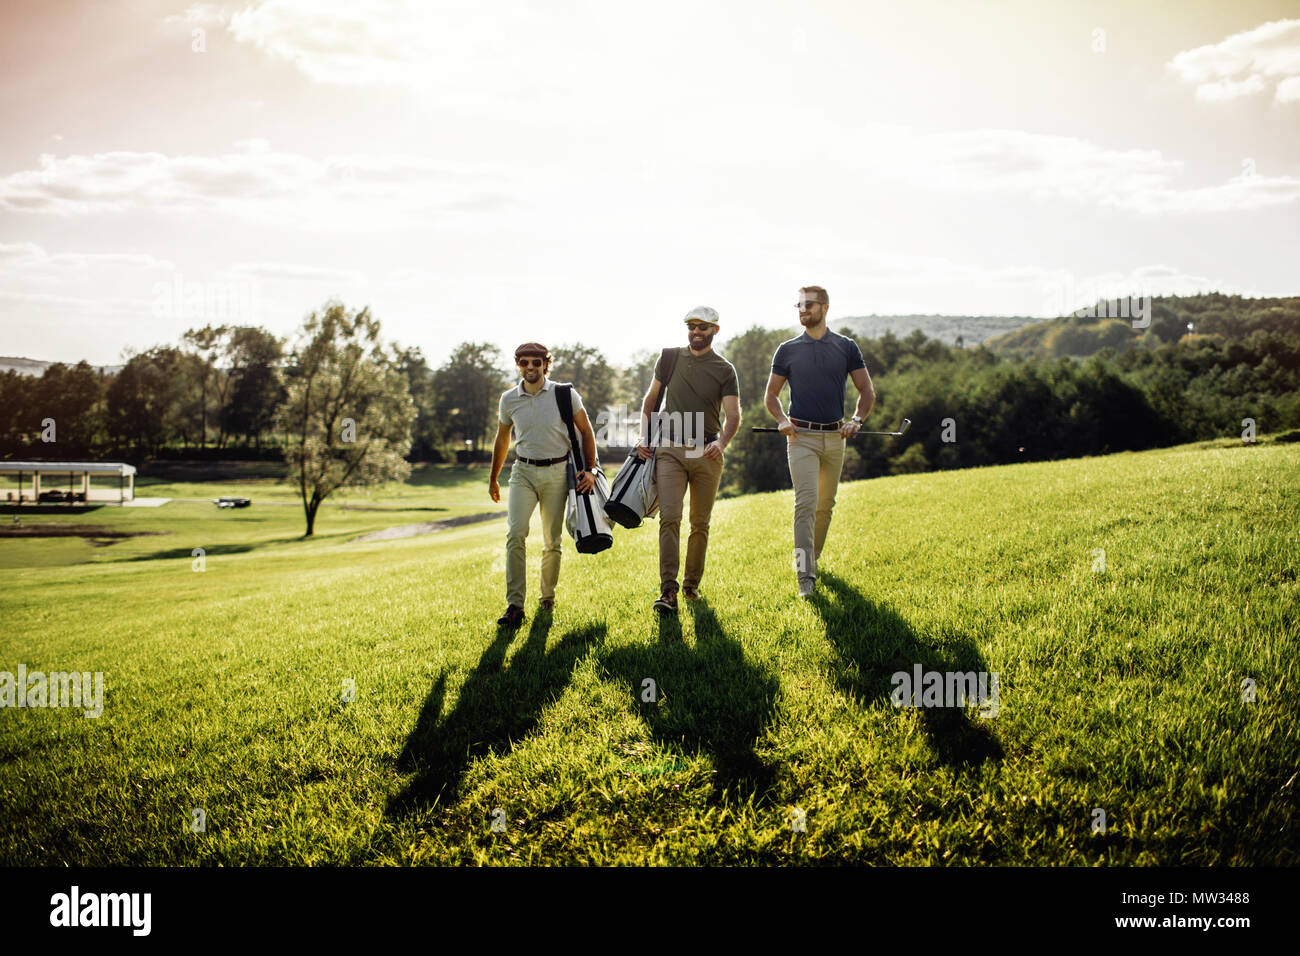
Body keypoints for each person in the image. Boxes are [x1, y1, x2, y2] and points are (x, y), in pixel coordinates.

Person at [764, 286, 875, 598]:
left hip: (836, 437)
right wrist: (782, 420)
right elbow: (770, 395)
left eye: (808, 305)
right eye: (799, 305)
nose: (803, 310)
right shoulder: (786, 350)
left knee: (826, 506)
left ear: (824, 307)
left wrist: (857, 420)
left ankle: (813, 560)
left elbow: (867, 390)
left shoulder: (846, 347)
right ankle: (805, 577)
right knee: (806, 504)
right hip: (801, 438)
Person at [636, 307, 741, 613]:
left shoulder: (725, 369)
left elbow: (733, 415)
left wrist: (722, 443)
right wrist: (645, 438)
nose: (696, 332)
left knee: (700, 523)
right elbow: (650, 400)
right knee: (670, 518)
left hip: (706, 451)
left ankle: (691, 585)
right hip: (669, 450)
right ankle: (667, 590)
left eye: (703, 327)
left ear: (715, 331)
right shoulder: (669, 358)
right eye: (691, 326)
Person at [489, 342, 598, 627]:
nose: (530, 367)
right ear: (518, 365)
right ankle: (515, 605)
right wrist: (493, 478)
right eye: (524, 362)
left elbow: (586, 431)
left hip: (558, 473)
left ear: (545, 365)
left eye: (536, 362)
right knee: (516, 534)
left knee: (552, 540)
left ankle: (547, 597)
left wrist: (590, 470)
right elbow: (502, 439)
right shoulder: (509, 399)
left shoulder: (565, 394)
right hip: (522, 472)